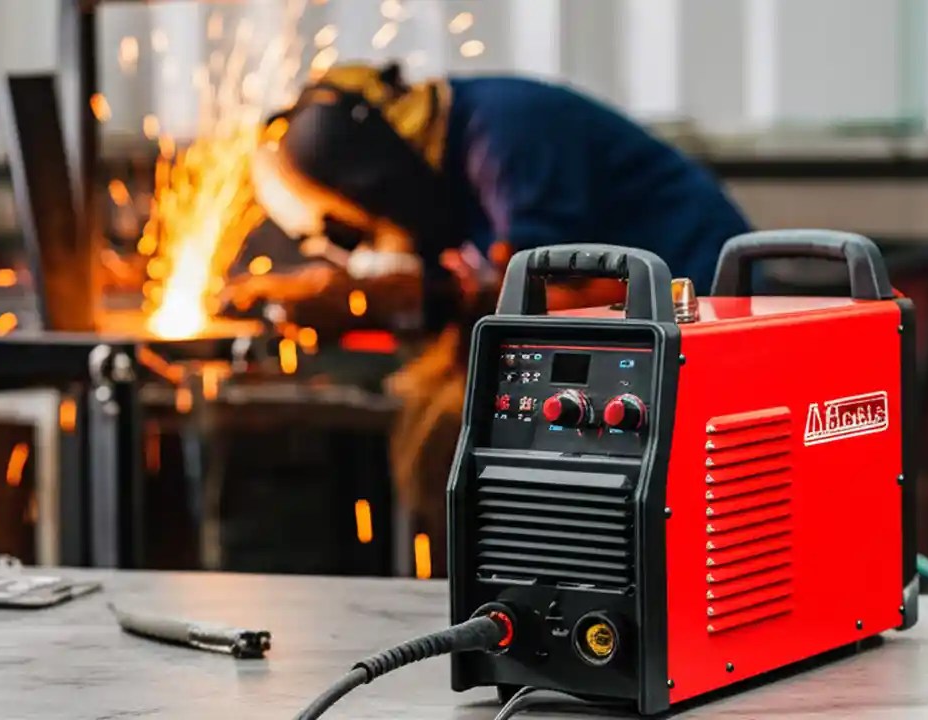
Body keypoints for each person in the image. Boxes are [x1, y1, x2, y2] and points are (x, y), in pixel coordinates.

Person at [222, 64, 751, 573]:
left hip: (699, 302)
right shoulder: (443, 163)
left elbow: (545, 293)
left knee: (457, 428)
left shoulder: (507, 133)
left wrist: (381, 298)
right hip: (617, 319)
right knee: (429, 410)